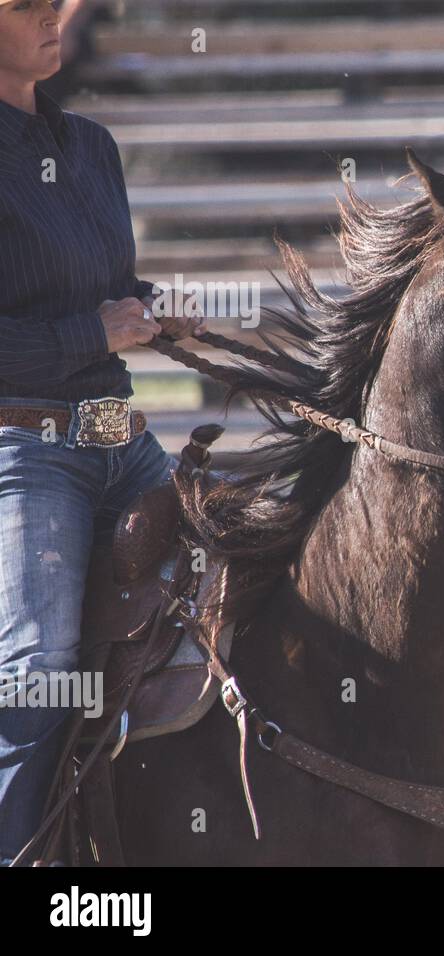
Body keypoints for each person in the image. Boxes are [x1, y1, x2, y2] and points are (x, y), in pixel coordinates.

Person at [0, 0, 206, 864]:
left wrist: (163, 314)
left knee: (265, 570)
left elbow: (113, 286)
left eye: (58, 5)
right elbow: (87, 318)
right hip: (26, 452)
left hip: (123, 436)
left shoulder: (92, 145)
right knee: (39, 672)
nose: (55, 20)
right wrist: (97, 332)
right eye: (27, 7)